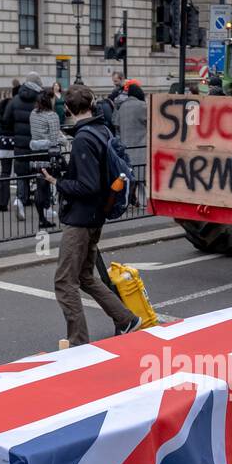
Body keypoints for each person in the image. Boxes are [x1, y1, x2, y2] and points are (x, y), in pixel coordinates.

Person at [41, 84, 139, 346]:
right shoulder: (101, 129)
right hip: (96, 216)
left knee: (64, 281)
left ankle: (78, 343)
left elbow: (87, 185)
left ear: (69, 109)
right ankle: (126, 319)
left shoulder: (84, 138)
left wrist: (57, 182)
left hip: (81, 219)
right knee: (84, 277)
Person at [8, 71, 44, 221]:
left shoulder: (15, 100)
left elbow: (6, 120)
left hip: (20, 145)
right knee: (41, 175)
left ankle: (20, 201)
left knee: (21, 176)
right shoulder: (41, 100)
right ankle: (44, 208)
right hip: (37, 144)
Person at [29, 87, 65, 228]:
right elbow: (54, 138)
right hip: (49, 154)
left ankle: (42, 218)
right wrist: (63, 140)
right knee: (61, 181)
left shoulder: (33, 113)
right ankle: (63, 212)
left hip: (35, 153)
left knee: (40, 186)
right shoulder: (52, 115)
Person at [112, 81, 147, 204]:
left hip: (126, 148)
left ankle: (128, 201)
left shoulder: (122, 107)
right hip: (142, 147)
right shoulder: (143, 106)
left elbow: (115, 124)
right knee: (142, 178)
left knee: (131, 175)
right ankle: (143, 203)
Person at [0, 79, 19, 214]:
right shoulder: (14, 110)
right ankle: (21, 199)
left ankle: (1, 200)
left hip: (3, 144)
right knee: (21, 173)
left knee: (5, 172)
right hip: (15, 143)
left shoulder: (2, 112)